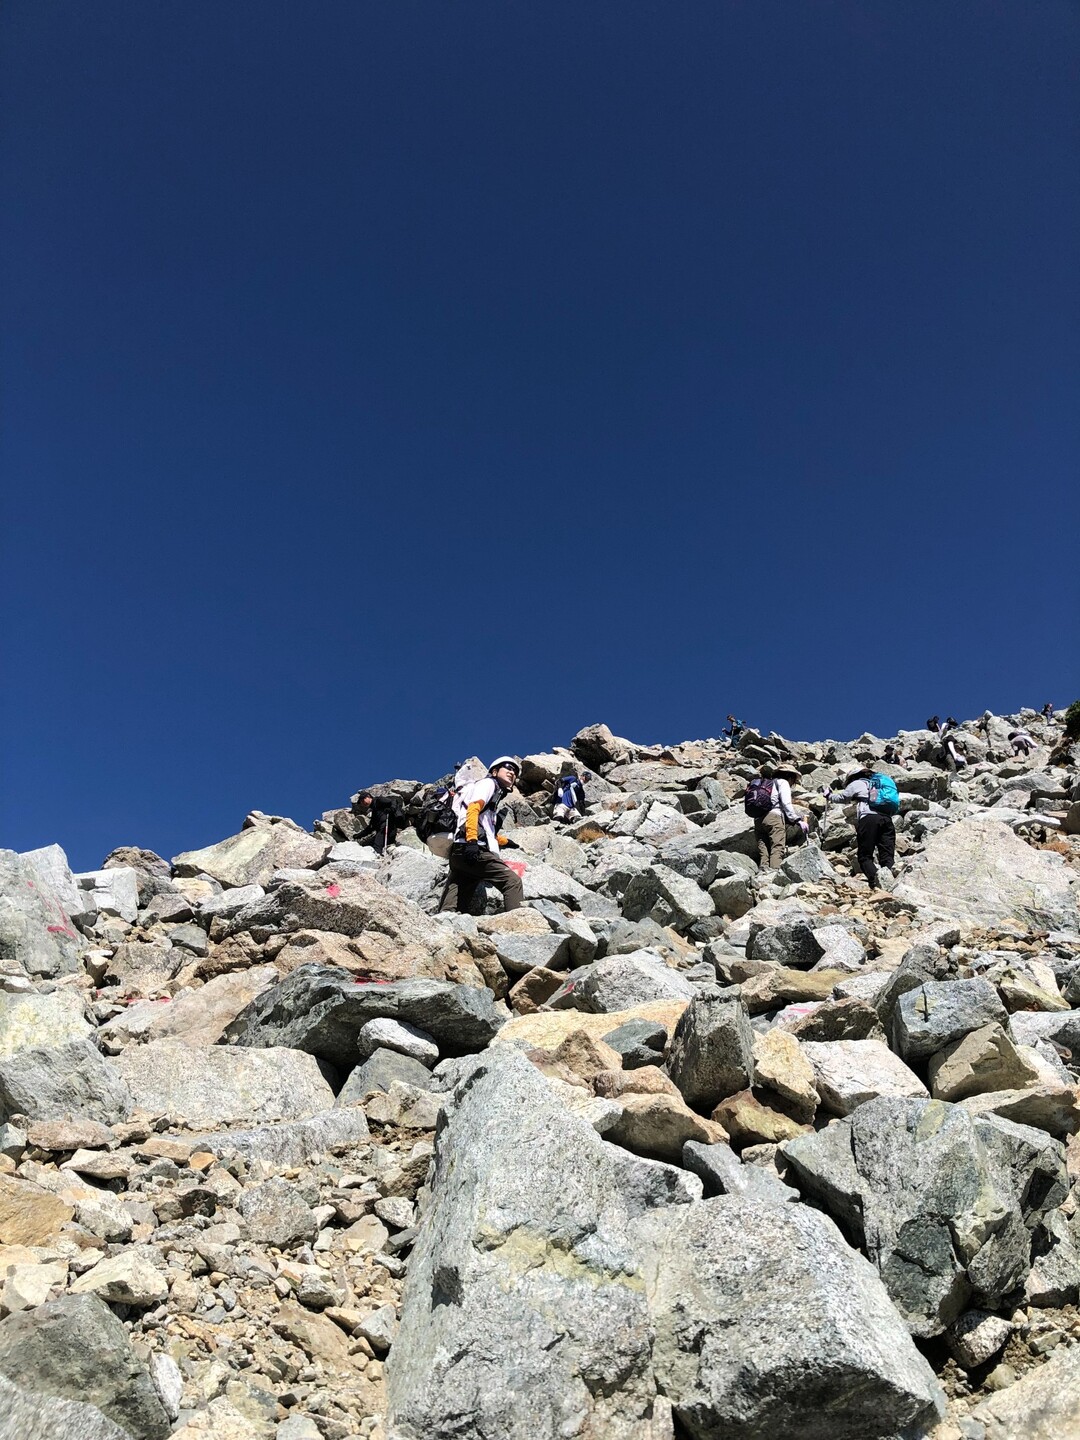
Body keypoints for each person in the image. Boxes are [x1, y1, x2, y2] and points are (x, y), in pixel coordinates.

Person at [438, 757, 524, 914]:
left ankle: (443, 929)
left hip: (459, 854)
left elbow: (485, 827)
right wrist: (472, 841)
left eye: (515, 771)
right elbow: (472, 810)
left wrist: (505, 841)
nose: (512, 772)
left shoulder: (493, 795)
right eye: (508, 767)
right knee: (512, 882)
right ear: (494, 771)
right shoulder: (488, 784)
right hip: (472, 847)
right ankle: (520, 928)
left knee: (454, 906)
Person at [826, 764, 896, 890]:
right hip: (887, 819)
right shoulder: (879, 784)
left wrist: (829, 796)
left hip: (869, 818)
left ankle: (875, 882)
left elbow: (843, 797)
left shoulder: (858, 783)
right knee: (887, 855)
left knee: (865, 856)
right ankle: (890, 881)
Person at [750, 762, 808, 870]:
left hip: (758, 819)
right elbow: (786, 803)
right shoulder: (783, 783)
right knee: (777, 847)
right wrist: (796, 820)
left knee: (764, 849)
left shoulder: (768, 784)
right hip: (774, 817)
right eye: (794, 780)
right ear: (790, 776)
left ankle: (763, 873)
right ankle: (774, 874)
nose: (793, 783)